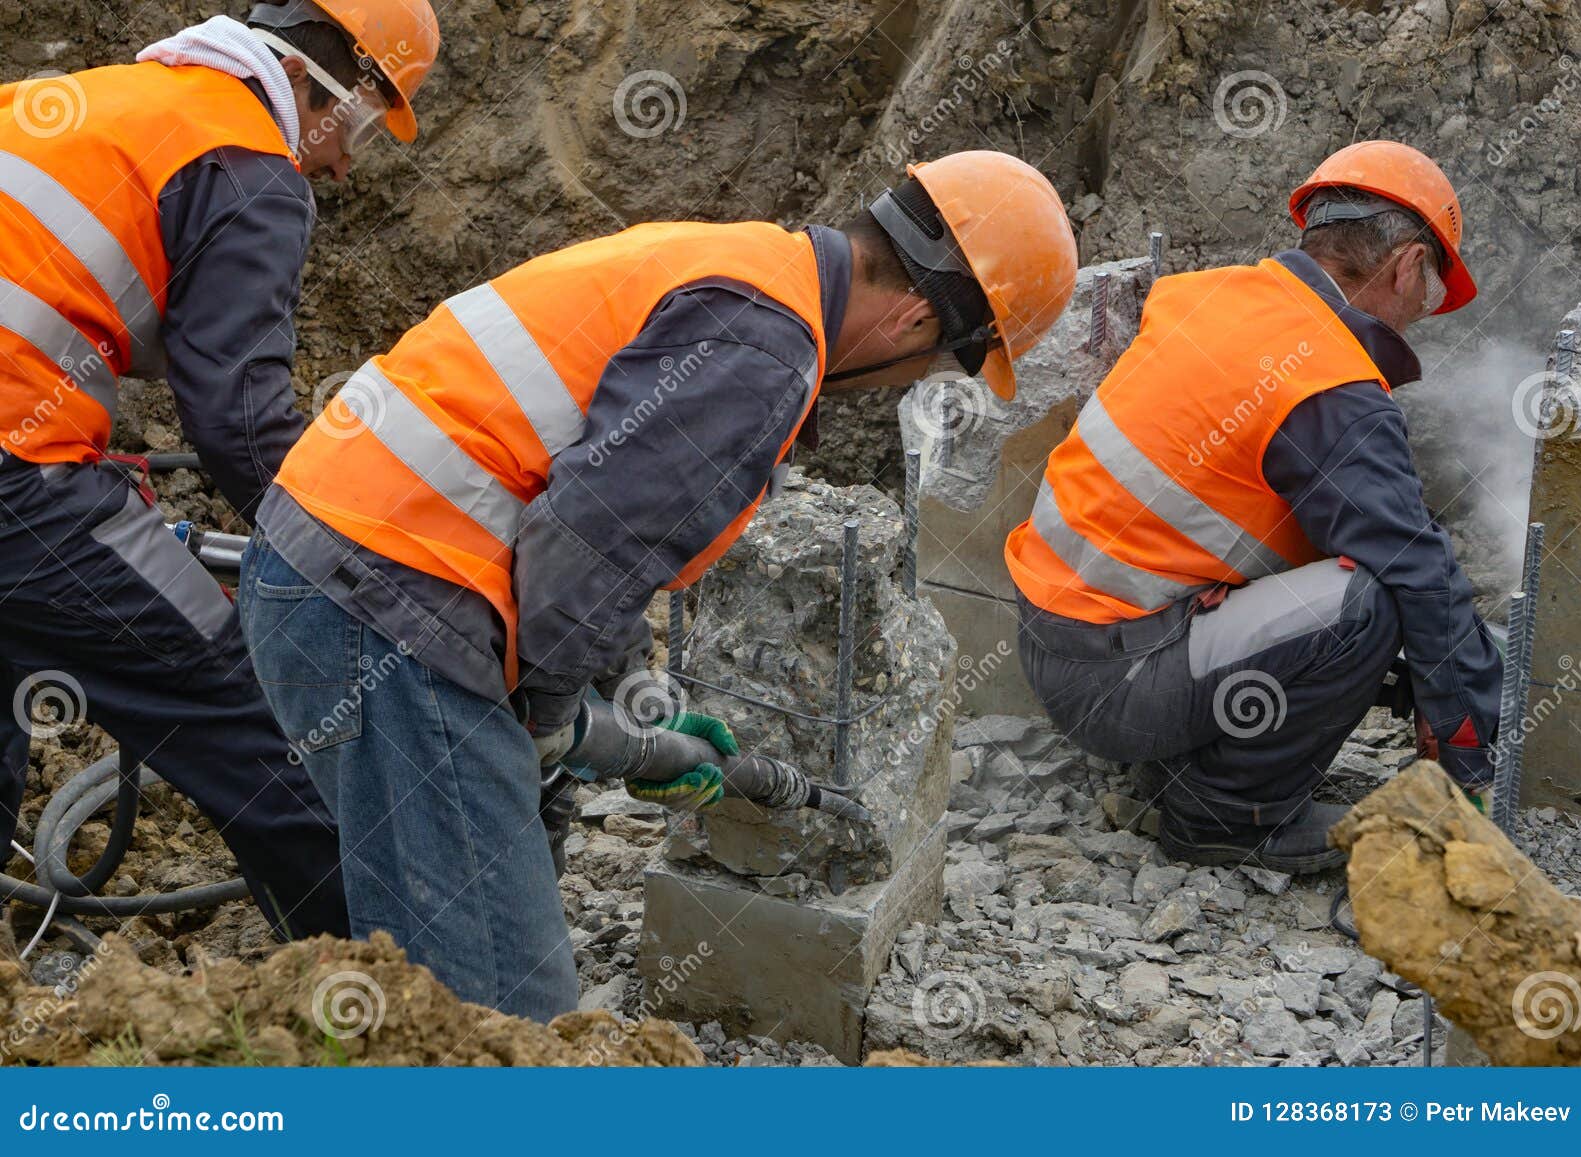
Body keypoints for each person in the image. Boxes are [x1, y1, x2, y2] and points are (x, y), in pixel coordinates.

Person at [237, 150, 1079, 1018]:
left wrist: (634, 699)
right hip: (389, 611)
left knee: (432, 974)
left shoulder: (751, 266)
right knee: (508, 1016)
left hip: (337, 569)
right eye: (941, 366)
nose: (911, 383)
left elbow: (605, 534)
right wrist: (555, 721)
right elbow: (585, 543)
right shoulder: (765, 347)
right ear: (915, 319)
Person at [0, 0, 439, 938]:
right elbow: (239, 423)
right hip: (18, 472)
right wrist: (362, 562)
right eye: (359, 127)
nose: (342, 164)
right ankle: (394, 980)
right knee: (246, 706)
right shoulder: (245, 165)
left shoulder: (106, 100)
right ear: (310, 77)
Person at [1007, 141, 1501, 875]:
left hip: (1052, 638)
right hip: (1115, 686)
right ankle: (1227, 817)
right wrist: (1465, 742)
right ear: (1407, 266)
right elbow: (1417, 569)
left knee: (1351, 575)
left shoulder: (1208, 297)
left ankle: (1189, 753)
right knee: (1369, 604)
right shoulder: (1329, 385)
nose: (1418, 320)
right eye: (1429, 295)